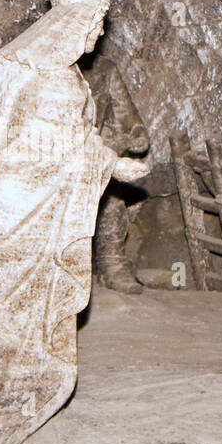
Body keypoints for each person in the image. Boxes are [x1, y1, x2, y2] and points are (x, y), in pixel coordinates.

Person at [0, 0, 149, 444]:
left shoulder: (22, 69)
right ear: (71, 22)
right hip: (15, 213)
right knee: (18, 324)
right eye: (94, 22)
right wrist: (115, 166)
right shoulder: (57, 82)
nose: (99, 33)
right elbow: (62, 154)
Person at [80, 54, 150, 294]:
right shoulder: (47, 67)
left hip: (94, 156)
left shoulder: (104, 68)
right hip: (53, 158)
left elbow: (126, 113)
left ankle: (112, 261)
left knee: (113, 198)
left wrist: (137, 133)